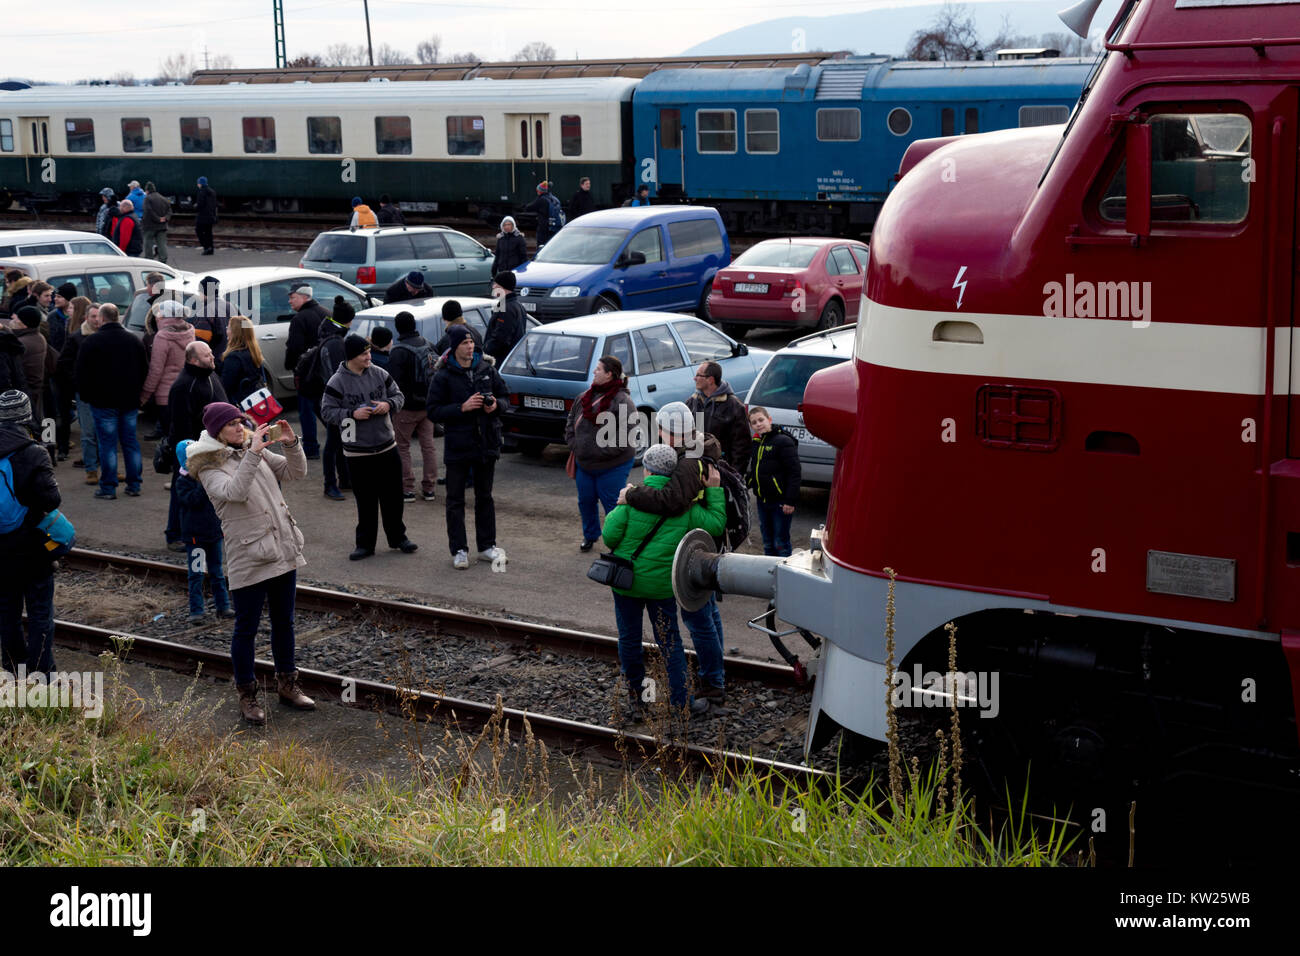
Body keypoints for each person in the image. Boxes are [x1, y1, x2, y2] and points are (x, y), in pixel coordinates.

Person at [185, 402, 313, 724]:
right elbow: (236, 491)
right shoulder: (208, 465)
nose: (238, 428)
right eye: (230, 425)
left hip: (281, 547)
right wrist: (254, 452)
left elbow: (296, 472)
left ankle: (287, 684)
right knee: (246, 629)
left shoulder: (248, 448)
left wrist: (290, 443)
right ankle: (248, 695)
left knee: (285, 621)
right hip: (249, 556)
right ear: (217, 431)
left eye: (240, 422)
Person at [602, 442, 723, 718]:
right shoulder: (685, 506)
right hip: (661, 588)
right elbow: (715, 524)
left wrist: (620, 508)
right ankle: (681, 702)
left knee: (630, 639)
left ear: (646, 471)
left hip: (626, 583)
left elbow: (609, 537)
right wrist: (714, 491)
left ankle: (637, 700)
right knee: (670, 642)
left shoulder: (630, 499)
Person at [619, 402, 729, 702]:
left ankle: (712, 683)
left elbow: (672, 501)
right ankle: (712, 677)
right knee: (706, 615)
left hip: (694, 549)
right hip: (698, 542)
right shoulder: (696, 450)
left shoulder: (688, 461)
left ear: (667, 431)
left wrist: (632, 493)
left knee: (698, 618)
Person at [319, 333, 416, 560]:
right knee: (366, 500)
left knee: (393, 497)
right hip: (357, 453)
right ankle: (365, 545)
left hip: (386, 448)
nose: (369, 356)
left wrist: (387, 404)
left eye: (369, 352)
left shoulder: (380, 374)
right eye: (364, 353)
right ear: (352, 356)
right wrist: (352, 414)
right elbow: (327, 412)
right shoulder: (336, 382)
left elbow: (399, 396)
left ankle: (398, 538)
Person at [427, 325, 508, 570]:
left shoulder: (487, 368)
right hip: (458, 446)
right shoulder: (443, 376)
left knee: (485, 497)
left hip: (486, 444)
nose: (470, 346)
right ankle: (459, 550)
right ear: (454, 347)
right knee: (455, 500)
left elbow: (505, 397)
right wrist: (460, 408)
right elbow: (432, 411)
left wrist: (495, 406)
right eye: (464, 343)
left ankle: (486, 546)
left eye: (472, 342)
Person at [0, 390, 61, 679]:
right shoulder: (34, 452)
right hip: (34, 547)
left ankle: (12, 669)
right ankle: (41, 672)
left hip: (1, 546)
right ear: (27, 416)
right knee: (39, 614)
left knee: (7, 613)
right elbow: (52, 499)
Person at [74, 302, 148, 500]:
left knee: (107, 445)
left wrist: (88, 397)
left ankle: (108, 487)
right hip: (129, 401)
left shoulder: (91, 342)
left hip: (102, 402)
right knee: (130, 443)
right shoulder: (133, 341)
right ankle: (134, 485)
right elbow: (144, 369)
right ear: (119, 317)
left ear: (102, 318)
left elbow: (81, 374)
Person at [565, 355, 635, 552]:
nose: (594, 372)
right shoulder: (584, 397)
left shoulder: (623, 401)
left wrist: (597, 452)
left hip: (612, 466)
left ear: (609, 374)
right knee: (585, 501)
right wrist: (575, 445)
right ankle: (590, 535)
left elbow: (627, 437)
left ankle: (618, 541)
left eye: (598, 369)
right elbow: (570, 422)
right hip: (585, 463)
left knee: (613, 506)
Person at [173, 439, 233, 624]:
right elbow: (192, 501)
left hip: (214, 534)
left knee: (217, 572)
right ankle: (196, 610)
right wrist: (203, 485)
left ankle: (223, 607)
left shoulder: (209, 476)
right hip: (195, 537)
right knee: (197, 573)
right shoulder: (183, 482)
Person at [388, 311, 438, 502]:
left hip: (406, 407)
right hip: (428, 406)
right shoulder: (428, 344)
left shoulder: (399, 351)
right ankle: (429, 488)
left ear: (397, 327)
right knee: (429, 446)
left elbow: (392, 382)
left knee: (402, 447)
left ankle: (407, 488)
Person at [139, 300, 195, 447]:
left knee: (170, 437)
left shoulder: (162, 336)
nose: (157, 316)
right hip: (187, 389)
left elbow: (156, 370)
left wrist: (145, 394)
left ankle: (175, 466)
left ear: (165, 316)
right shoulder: (190, 330)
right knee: (186, 435)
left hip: (166, 395)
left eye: (159, 313)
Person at [746, 406, 800, 557]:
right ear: (751, 426)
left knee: (780, 542)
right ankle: (769, 574)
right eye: (754, 422)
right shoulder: (757, 442)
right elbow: (756, 469)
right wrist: (746, 483)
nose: (758, 424)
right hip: (762, 501)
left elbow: (794, 473)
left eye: (761, 420)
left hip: (780, 503)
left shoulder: (783, 441)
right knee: (768, 542)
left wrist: (790, 500)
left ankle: (783, 576)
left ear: (769, 419)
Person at [316, 296, 355, 500]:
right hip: (334, 401)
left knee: (341, 440)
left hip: (329, 397)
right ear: (349, 320)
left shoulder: (328, 332)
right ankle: (330, 484)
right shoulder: (336, 342)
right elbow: (337, 375)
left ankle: (344, 479)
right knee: (334, 443)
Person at [284, 283, 326, 459]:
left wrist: (291, 365)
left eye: (292, 297)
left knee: (306, 412)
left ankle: (310, 449)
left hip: (306, 374)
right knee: (324, 408)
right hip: (325, 372)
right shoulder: (327, 313)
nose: (289, 301)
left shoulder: (300, 319)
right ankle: (340, 438)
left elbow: (294, 347)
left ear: (304, 297)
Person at [59, 299, 99, 484]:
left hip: (105, 393)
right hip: (85, 394)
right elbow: (64, 363)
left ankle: (106, 467)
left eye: (99, 316)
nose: (96, 320)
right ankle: (91, 469)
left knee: (105, 432)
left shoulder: (106, 335)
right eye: (93, 316)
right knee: (89, 432)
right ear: (86, 317)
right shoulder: (77, 337)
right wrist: (77, 383)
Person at [686, 361, 750, 473]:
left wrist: (734, 474)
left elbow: (741, 446)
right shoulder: (692, 402)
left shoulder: (734, 406)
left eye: (698, 375)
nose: (694, 378)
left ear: (710, 380)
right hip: (696, 469)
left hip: (721, 470)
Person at [54, 296, 91, 466]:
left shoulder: (80, 334)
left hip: (71, 381)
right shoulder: (69, 327)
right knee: (64, 415)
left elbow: (65, 359)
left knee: (84, 421)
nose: (67, 310)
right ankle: (63, 449)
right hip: (68, 380)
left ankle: (83, 455)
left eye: (70, 308)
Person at [10, 307, 48, 424]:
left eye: (17, 319)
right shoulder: (37, 337)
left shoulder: (22, 344)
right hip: (33, 391)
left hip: (24, 393)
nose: (13, 319)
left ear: (24, 324)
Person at [220, 317, 269, 406]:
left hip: (241, 406)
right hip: (256, 402)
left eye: (229, 328)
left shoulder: (233, 357)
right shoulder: (254, 352)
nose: (227, 330)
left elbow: (226, 386)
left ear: (236, 333)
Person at [484, 271, 527, 366]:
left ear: (503, 287)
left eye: (496, 284)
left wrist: (485, 351)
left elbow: (501, 338)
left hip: (500, 361)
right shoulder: (515, 305)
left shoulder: (507, 308)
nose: (493, 287)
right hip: (508, 360)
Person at [192, 275, 231, 367]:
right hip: (232, 359)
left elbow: (200, 342)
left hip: (215, 362)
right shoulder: (231, 306)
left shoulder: (206, 311)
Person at [524, 181, 563, 250]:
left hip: (544, 228)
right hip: (553, 227)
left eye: (537, 190)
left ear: (540, 191)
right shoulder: (554, 199)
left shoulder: (541, 199)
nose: (537, 192)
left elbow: (528, 208)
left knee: (541, 247)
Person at [140, 181, 171, 263]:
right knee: (162, 244)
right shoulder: (163, 198)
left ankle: (149, 260)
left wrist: (157, 219)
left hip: (150, 226)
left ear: (147, 190)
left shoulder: (147, 198)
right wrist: (165, 218)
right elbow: (170, 211)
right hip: (162, 226)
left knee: (148, 243)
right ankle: (163, 260)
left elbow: (148, 211)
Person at [195, 176, 218, 255]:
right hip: (211, 216)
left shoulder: (201, 192)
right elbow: (215, 205)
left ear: (201, 183)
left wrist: (195, 206)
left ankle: (206, 247)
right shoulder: (212, 191)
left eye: (198, 183)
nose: (197, 184)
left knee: (199, 231)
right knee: (208, 233)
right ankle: (210, 249)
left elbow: (200, 204)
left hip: (202, 216)